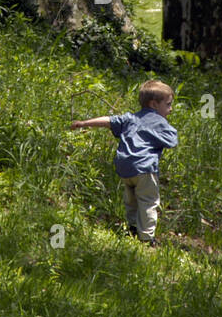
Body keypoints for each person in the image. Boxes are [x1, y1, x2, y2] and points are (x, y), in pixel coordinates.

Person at [70, 80, 177, 246]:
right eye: (168, 104)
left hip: (125, 167)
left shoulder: (130, 118)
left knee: (131, 200)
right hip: (145, 169)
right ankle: (147, 239)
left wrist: (84, 123)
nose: (170, 109)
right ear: (154, 104)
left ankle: (133, 228)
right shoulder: (159, 122)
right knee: (148, 202)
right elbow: (172, 141)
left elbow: (109, 121)